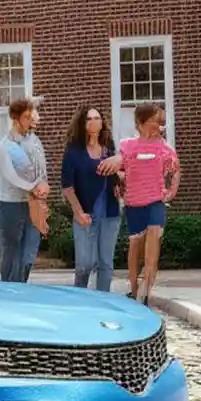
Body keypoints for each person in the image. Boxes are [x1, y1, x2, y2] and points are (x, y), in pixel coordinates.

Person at [97, 103, 179, 304]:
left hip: (155, 204)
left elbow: (175, 169)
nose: (159, 126)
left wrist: (172, 190)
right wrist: (120, 177)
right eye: (155, 121)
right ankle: (134, 290)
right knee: (135, 249)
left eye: (161, 122)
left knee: (152, 248)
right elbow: (120, 165)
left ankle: (144, 294)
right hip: (134, 204)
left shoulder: (164, 148)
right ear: (141, 123)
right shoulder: (127, 146)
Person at [60, 104, 122, 292]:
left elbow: (118, 174)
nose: (94, 122)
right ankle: (79, 299)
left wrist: (119, 182)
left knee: (105, 263)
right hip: (85, 212)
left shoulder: (109, 148)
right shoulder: (73, 151)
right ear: (82, 123)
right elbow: (67, 186)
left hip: (110, 212)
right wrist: (78, 212)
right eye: (89, 119)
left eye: (97, 118)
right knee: (84, 264)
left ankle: (102, 302)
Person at [0, 97, 49, 283]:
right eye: (26, 117)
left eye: (31, 115)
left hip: (32, 202)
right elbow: (11, 176)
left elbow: (41, 169)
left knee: (29, 253)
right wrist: (34, 187)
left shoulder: (34, 141)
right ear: (15, 119)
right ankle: (8, 290)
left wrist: (43, 187)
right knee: (12, 252)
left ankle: (21, 286)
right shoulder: (3, 147)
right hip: (9, 205)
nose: (31, 120)